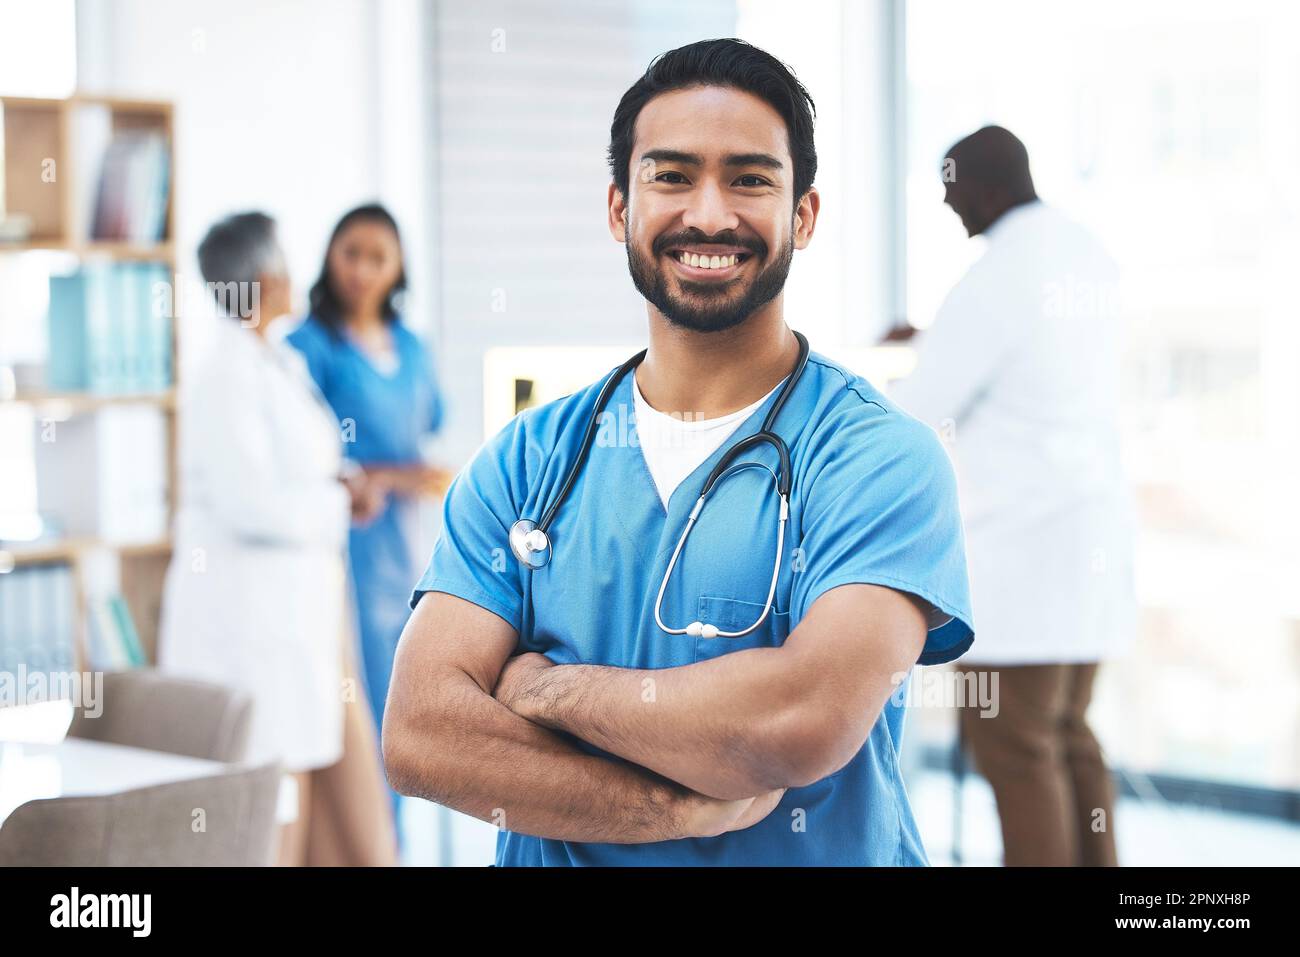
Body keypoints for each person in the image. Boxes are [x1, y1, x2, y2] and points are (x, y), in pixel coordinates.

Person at [383, 38, 975, 866]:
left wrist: (541, 686)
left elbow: (800, 720)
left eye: (750, 178)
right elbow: (421, 733)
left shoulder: (878, 459)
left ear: (802, 214)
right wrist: (673, 807)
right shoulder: (529, 461)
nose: (707, 214)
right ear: (620, 208)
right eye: (671, 175)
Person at [886, 126, 1136, 866]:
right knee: (1069, 736)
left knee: (1018, 749)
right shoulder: (1083, 250)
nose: (945, 199)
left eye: (951, 184)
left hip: (1026, 555)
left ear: (989, 185)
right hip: (1089, 547)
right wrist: (936, 333)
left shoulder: (995, 275)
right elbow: (1042, 354)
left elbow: (922, 407)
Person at [158, 212, 397, 866]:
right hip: (250, 631)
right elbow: (250, 504)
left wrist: (341, 481)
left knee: (316, 787)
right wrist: (336, 502)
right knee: (270, 812)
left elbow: (301, 465)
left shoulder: (275, 360)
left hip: (298, 621)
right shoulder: (225, 375)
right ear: (265, 277)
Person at [286, 204, 453, 845]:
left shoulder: (412, 348)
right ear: (330, 257)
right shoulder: (307, 348)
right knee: (364, 705)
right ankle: (371, 847)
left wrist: (402, 477)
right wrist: (386, 476)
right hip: (342, 548)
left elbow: (429, 442)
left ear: (398, 268)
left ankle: (393, 844)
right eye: (349, 253)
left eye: (377, 258)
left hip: (408, 547)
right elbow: (315, 459)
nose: (361, 270)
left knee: (411, 704)